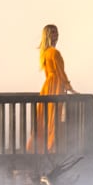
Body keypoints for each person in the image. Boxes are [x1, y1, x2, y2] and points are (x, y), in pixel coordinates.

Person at [30, 23, 77, 153]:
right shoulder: (54, 53)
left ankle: (39, 147)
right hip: (55, 86)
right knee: (53, 118)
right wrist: (69, 87)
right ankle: (51, 148)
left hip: (48, 86)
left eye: (57, 32)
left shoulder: (45, 53)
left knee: (45, 118)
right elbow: (61, 73)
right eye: (53, 32)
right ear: (48, 35)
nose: (57, 35)